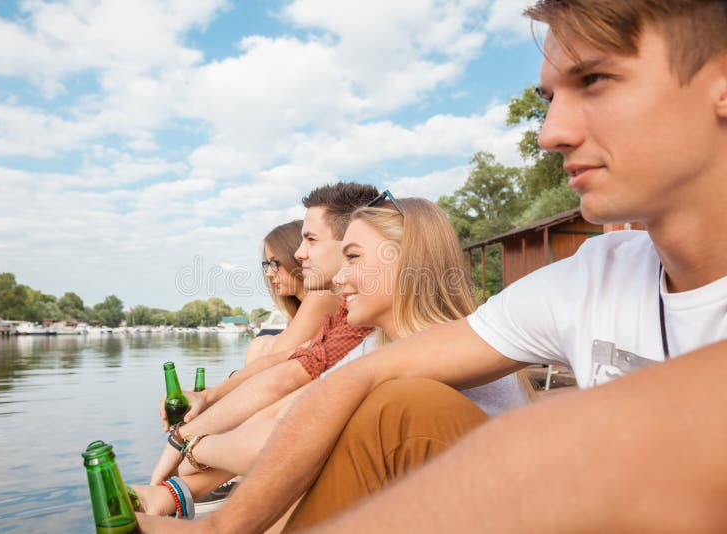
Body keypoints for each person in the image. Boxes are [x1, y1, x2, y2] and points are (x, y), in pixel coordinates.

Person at [136, 0, 727, 531]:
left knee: (404, 407)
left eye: (595, 79)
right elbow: (344, 383)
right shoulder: (594, 274)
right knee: (392, 400)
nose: (550, 133)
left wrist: (192, 454)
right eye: (549, 100)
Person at [132, 197, 531, 520]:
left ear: (405, 262)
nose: (338, 280)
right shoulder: (375, 349)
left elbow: (282, 438)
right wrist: (175, 486)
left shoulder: (450, 358)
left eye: (353, 258)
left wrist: (194, 445)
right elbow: (288, 416)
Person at [149, 182, 379, 485]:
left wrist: (188, 443)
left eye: (310, 240)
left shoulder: (341, 307)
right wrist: (208, 401)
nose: (299, 254)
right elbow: (287, 362)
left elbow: (284, 381)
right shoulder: (347, 312)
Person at [243, 219, 341, 367]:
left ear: (296, 258)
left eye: (275, 263)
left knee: (260, 344)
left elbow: (270, 366)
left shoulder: (323, 296)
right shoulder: (312, 303)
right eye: (267, 265)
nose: (269, 273)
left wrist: (233, 377)